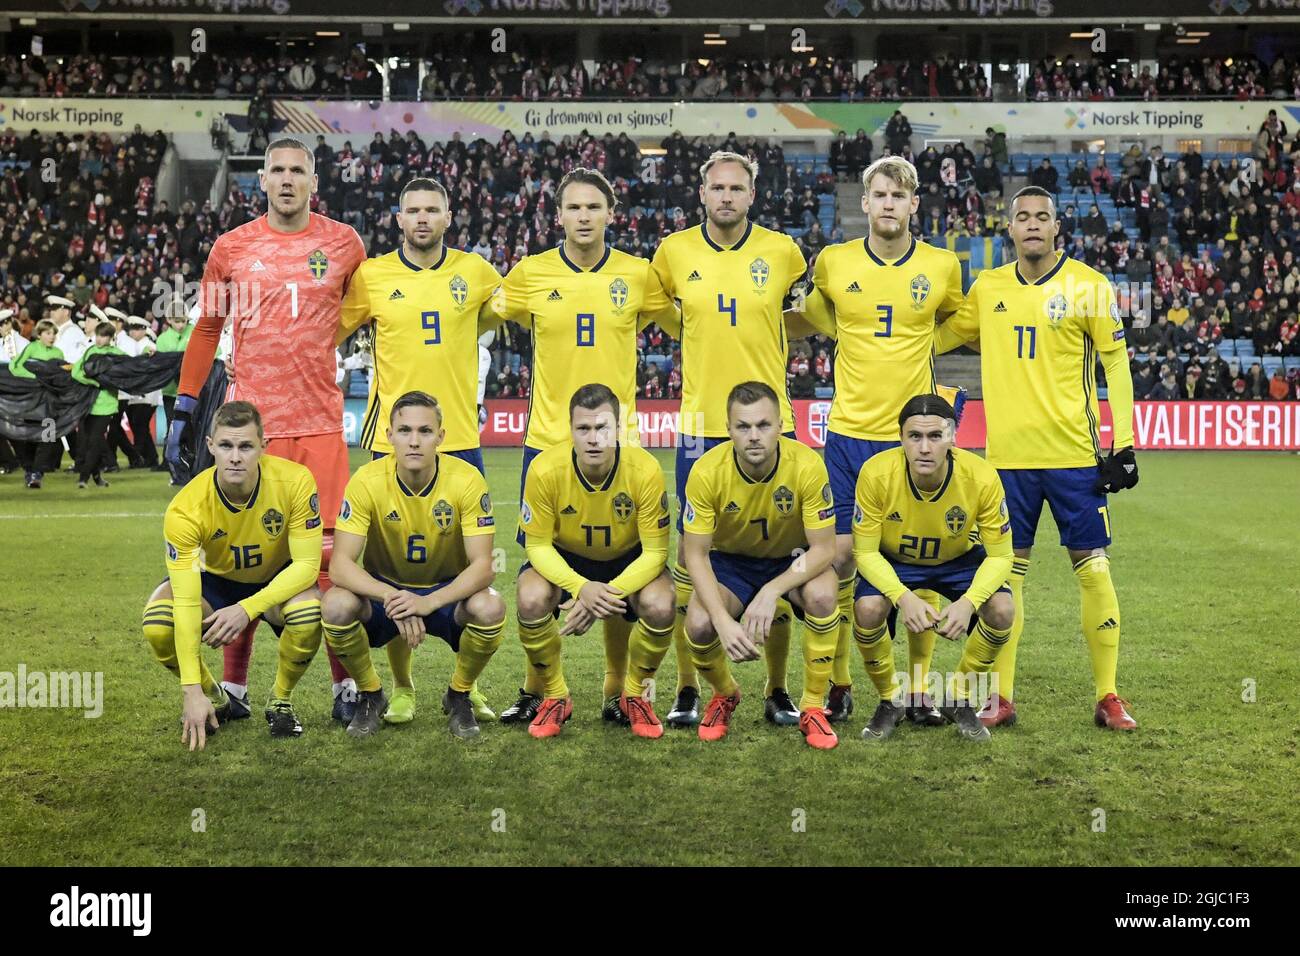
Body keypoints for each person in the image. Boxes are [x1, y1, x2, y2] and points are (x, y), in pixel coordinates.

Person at [164, 136, 366, 724]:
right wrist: (183, 409)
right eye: (275, 170)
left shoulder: (344, 245)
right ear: (262, 181)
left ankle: (344, 689)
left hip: (322, 428)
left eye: (296, 171)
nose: (285, 179)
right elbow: (206, 330)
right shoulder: (232, 248)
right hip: (253, 431)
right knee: (240, 561)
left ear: (313, 180)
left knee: (328, 564)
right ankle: (235, 689)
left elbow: (371, 314)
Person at [937, 185, 1140, 731]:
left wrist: (1123, 443)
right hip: (1005, 463)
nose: (1031, 225)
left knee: (1094, 570)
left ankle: (1108, 695)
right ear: (1011, 229)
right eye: (1022, 217)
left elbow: (1116, 366)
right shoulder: (988, 288)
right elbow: (938, 338)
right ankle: (1000, 698)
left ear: (1056, 227)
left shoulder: (1089, 286)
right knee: (1006, 581)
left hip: (1074, 458)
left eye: (1041, 217)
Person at [493, 167, 678, 728]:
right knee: (536, 577)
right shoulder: (529, 274)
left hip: (620, 448)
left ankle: (618, 690)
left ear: (610, 214)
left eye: (593, 207)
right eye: (573, 207)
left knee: (628, 569)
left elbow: (683, 325)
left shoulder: (638, 275)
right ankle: (541, 690)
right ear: (558, 216)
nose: (583, 217)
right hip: (546, 444)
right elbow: (475, 314)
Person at [800, 155, 966, 727]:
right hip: (847, 434)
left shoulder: (943, 266)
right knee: (843, 557)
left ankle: (918, 691)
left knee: (921, 557)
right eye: (880, 194)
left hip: (910, 438)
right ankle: (841, 682)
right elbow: (817, 309)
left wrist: (924, 350)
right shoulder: (834, 261)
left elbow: (959, 322)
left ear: (914, 204)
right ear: (864, 204)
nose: (889, 203)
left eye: (899, 195)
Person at [651, 150, 812, 729]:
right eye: (716, 187)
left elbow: (804, 315)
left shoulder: (783, 252)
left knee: (780, 555)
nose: (726, 196)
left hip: (773, 425)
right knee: (692, 563)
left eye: (736, 188)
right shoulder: (672, 253)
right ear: (702, 194)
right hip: (699, 427)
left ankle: (777, 689)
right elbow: (663, 312)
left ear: (751, 194)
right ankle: (690, 686)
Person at [142, 401, 325, 751]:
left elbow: (307, 566)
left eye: (245, 446)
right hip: (215, 583)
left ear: (264, 447)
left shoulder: (295, 481)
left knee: (307, 613)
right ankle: (218, 698)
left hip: (277, 578)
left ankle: (281, 701)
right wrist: (191, 690)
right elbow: (184, 599)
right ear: (211, 445)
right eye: (226, 446)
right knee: (158, 625)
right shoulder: (186, 508)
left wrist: (246, 608)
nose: (235, 457)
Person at [321, 391, 505, 739]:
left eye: (425, 431)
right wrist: (395, 597)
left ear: (441, 436)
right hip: (385, 589)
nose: (414, 441)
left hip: (445, 591)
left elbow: (484, 567)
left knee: (490, 606)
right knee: (335, 603)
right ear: (389, 436)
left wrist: (427, 602)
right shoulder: (366, 480)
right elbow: (341, 567)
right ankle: (371, 695)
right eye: (404, 431)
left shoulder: (467, 480)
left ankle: (459, 694)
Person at [681, 382, 841, 750]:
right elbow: (695, 554)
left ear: (781, 424)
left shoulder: (807, 465)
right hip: (731, 562)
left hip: (792, 560)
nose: (754, 436)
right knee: (701, 623)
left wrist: (772, 590)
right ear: (728, 428)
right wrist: (723, 621)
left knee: (822, 594)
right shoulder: (707, 471)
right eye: (743, 427)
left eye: (764, 425)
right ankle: (725, 693)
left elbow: (823, 549)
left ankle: (814, 706)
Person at [851, 394, 1016, 742]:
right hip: (895, 560)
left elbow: (1002, 556)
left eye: (935, 436)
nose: (924, 447)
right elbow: (864, 553)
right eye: (915, 436)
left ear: (953, 437)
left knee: (1002, 610)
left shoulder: (981, 477)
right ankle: (890, 700)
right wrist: (902, 597)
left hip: (957, 561)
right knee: (867, 610)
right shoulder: (876, 473)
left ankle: (958, 697)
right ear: (901, 438)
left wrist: (969, 601)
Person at [516, 384, 675, 739]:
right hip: (566, 558)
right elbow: (537, 546)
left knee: (662, 602)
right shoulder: (544, 470)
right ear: (570, 430)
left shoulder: (645, 470)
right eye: (583, 429)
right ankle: (556, 696)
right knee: (529, 596)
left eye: (602, 428)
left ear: (617, 429)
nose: (593, 438)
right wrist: (581, 587)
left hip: (629, 558)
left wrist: (602, 594)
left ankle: (634, 695)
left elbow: (655, 553)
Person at [339, 177, 501, 468]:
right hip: (393, 438)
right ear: (399, 219)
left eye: (432, 210)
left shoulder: (476, 271)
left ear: (448, 218)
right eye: (413, 212)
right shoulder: (372, 275)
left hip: (459, 436)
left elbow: (526, 310)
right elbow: (326, 334)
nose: (422, 219)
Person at [7, 318, 64, 488]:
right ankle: (29, 470)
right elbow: (14, 367)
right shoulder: (31, 348)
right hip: (32, 401)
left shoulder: (58, 353)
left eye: (54, 333)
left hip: (50, 402)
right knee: (30, 438)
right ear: (39, 335)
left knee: (47, 438)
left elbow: (61, 377)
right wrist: (36, 378)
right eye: (48, 333)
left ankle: (37, 473)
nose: (51, 336)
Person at [69, 320, 124, 489]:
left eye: (104, 336)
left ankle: (83, 478)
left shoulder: (117, 354)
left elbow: (130, 369)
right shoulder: (90, 351)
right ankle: (97, 477)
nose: (100, 339)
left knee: (93, 441)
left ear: (110, 338)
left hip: (106, 405)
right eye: (98, 335)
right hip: (88, 404)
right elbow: (75, 372)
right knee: (91, 442)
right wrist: (94, 382)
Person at [119, 315, 162, 469]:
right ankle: (149, 457)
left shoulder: (148, 345)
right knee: (139, 425)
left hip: (146, 394)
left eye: (137, 329)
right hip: (138, 394)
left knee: (139, 425)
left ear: (144, 330)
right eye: (131, 329)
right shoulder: (134, 345)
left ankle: (141, 457)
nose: (133, 332)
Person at [154, 300, 192, 438]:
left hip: (191, 392)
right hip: (170, 391)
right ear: (169, 319)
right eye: (177, 321)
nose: (181, 325)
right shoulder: (162, 339)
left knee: (189, 426)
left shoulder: (194, 333)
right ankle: (168, 459)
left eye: (183, 321)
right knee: (171, 425)